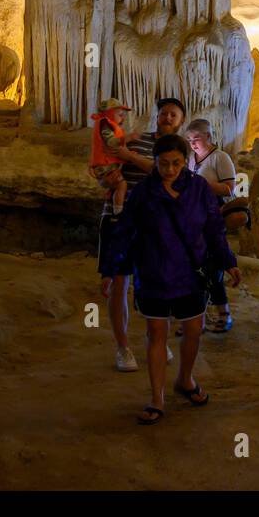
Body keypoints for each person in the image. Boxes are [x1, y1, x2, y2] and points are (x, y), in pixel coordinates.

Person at [104, 133, 240, 425]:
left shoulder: (199, 188)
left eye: (176, 163)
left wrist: (228, 261)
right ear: (155, 162)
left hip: (190, 271)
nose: (170, 170)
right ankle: (156, 398)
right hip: (153, 271)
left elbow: (214, 228)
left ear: (186, 161)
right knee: (157, 332)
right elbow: (125, 230)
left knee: (193, 328)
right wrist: (111, 269)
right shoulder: (143, 193)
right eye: (163, 164)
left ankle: (185, 379)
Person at [96, 96, 185, 371]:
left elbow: (168, 178)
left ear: (181, 122)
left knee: (157, 284)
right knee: (119, 285)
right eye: (164, 113)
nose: (167, 117)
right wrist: (105, 178)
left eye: (173, 115)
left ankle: (155, 338)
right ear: (157, 116)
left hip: (156, 224)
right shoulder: (134, 139)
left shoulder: (178, 151)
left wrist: (132, 158)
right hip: (118, 218)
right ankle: (122, 348)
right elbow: (105, 167)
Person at [186, 118, 244, 333]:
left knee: (213, 265)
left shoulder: (220, 158)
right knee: (195, 267)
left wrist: (201, 184)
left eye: (197, 139)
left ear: (208, 137)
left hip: (214, 215)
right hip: (194, 217)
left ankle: (223, 314)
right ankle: (196, 317)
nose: (193, 143)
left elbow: (229, 189)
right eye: (190, 140)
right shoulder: (191, 159)